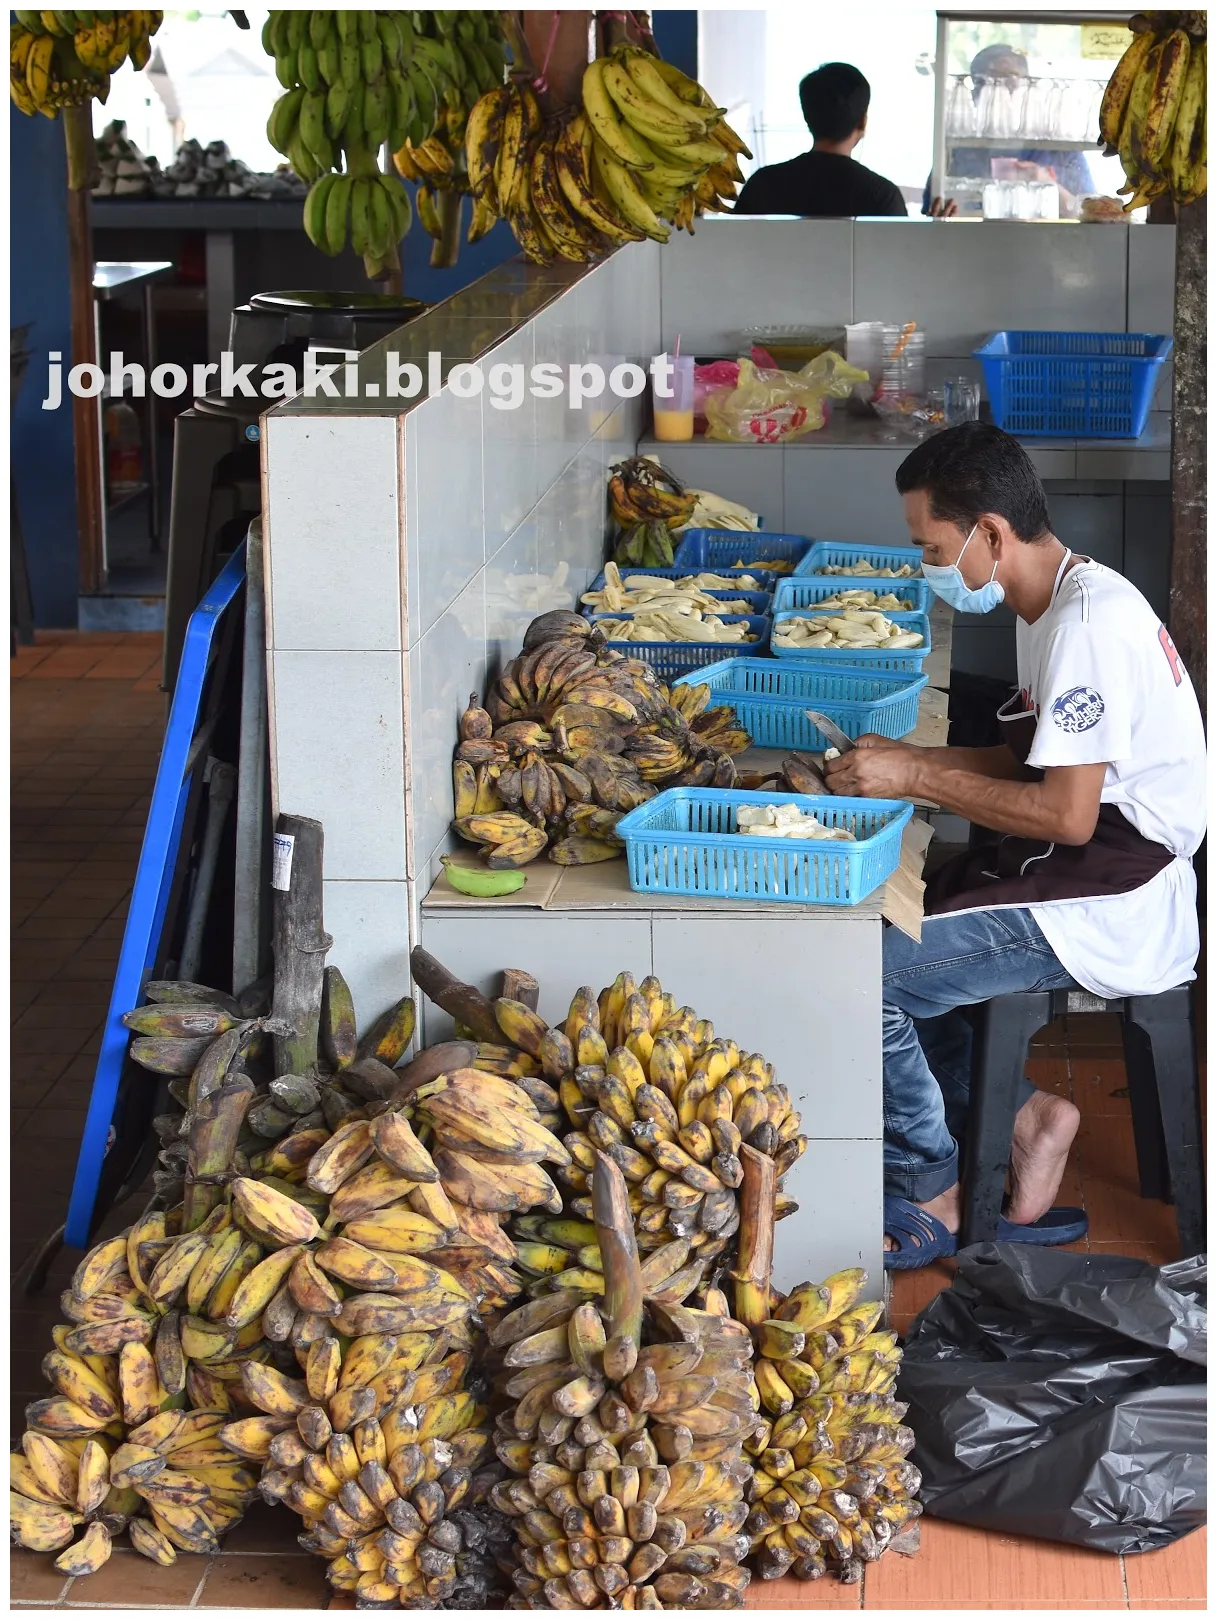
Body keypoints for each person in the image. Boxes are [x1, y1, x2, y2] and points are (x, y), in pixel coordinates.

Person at [824, 423, 1206, 1270]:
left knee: (861, 978)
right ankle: (1031, 1119)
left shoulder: (1086, 628)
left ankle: (928, 1183)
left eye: (932, 547)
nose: (928, 566)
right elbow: (1023, 760)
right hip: (1084, 863)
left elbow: (1066, 815)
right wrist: (907, 761)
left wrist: (912, 781)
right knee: (906, 915)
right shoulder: (1059, 598)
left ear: (990, 534)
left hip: (1107, 893)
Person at [923, 44, 1097, 217]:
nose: (995, 92)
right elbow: (930, 215)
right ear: (974, 92)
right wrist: (942, 214)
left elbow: (1090, 216)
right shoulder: (957, 151)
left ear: (1027, 87)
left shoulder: (1061, 150)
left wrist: (1047, 185)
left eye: (1008, 80)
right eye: (982, 82)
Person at [735, 62, 907, 219]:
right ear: (863, 121)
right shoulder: (882, 196)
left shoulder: (762, 184)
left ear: (807, 117)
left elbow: (729, 247)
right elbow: (904, 251)